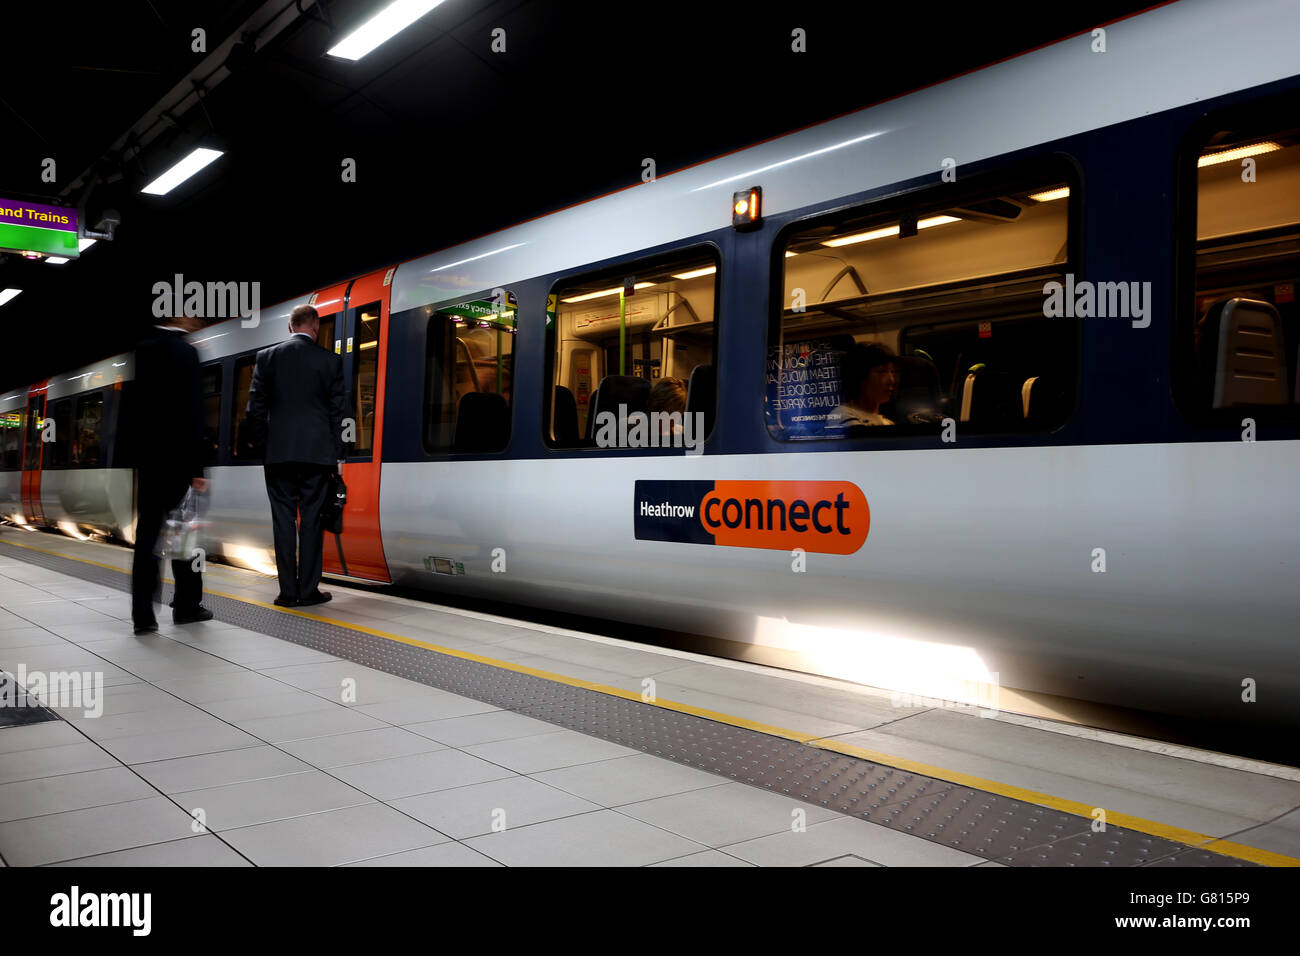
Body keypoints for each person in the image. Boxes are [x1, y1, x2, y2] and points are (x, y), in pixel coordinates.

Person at [244, 304, 347, 608]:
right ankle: (309, 590)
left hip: (278, 456)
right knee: (312, 519)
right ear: (315, 328)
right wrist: (339, 455)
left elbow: (255, 410)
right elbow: (340, 412)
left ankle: (287, 592)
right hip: (318, 455)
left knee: (283, 521)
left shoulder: (267, 358)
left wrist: (262, 447)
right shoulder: (330, 361)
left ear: (290, 327)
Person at [129, 316, 211, 635]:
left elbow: (133, 411)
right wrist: (197, 469)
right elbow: (193, 412)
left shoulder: (142, 350)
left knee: (147, 538)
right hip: (179, 463)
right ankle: (187, 607)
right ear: (182, 319)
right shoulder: (185, 352)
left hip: (149, 464)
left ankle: (143, 615)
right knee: (184, 538)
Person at [827, 342, 899, 431]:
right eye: (882, 372)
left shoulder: (887, 422)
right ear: (860, 376)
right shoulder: (843, 415)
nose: (891, 380)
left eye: (892, 372)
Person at [647, 376, 687, 443]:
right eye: (669, 412)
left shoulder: (682, 433)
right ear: (656, 408)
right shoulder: (629, 428)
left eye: (677, 413)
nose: (673, 419)